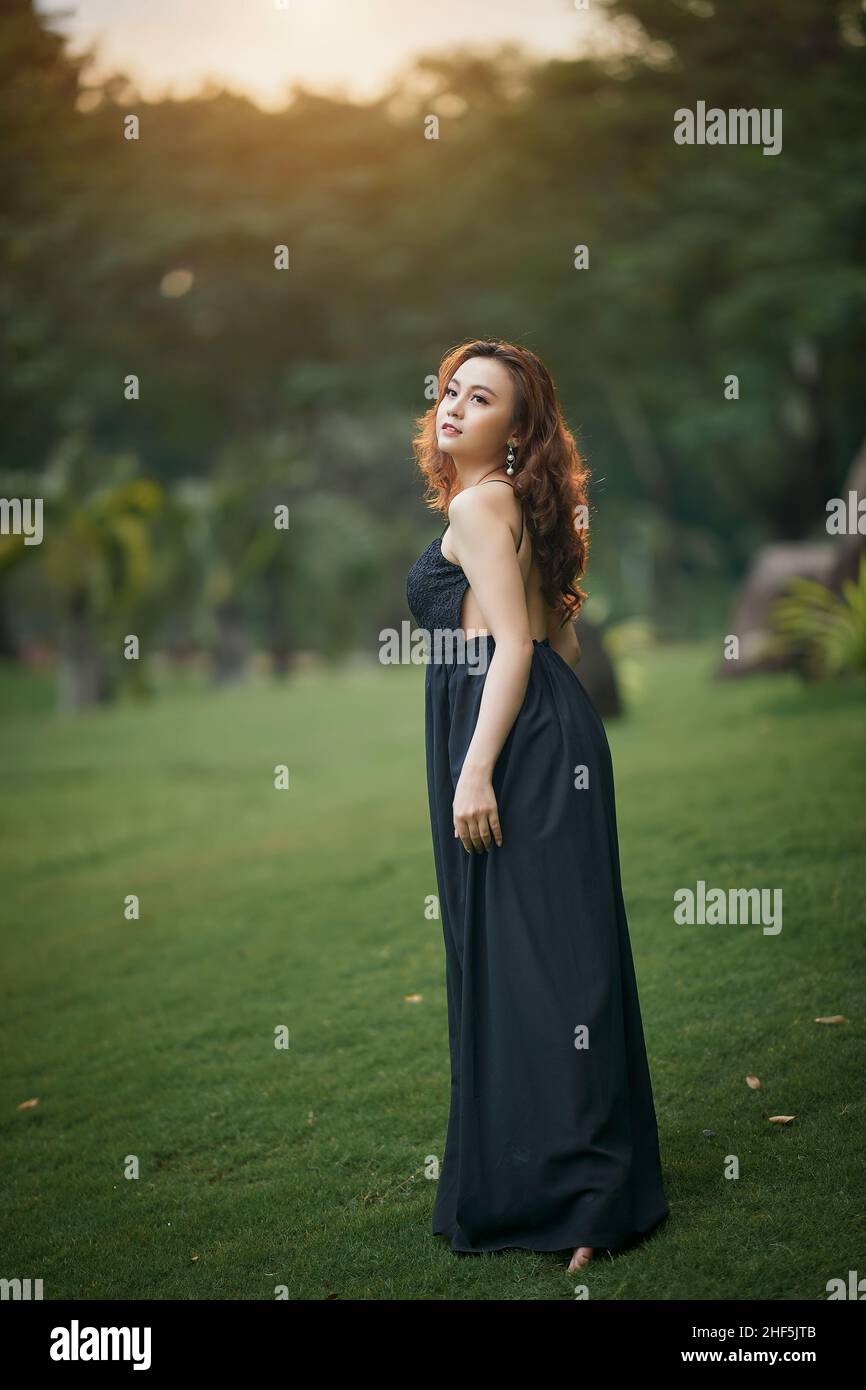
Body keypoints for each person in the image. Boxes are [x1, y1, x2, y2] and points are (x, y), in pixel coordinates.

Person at [405, 339, 669, 1273]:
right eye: (449, 391)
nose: (454, 407)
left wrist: (477, 770)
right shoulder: (517, 504)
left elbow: (515, 646)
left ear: (514, 430)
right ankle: (572, 1181)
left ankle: (585, 1198)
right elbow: (559, 642)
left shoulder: (481, 504)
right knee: (559, 960)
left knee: (545, 970)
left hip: (506, 740)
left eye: (480, 399)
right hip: (545, 736)